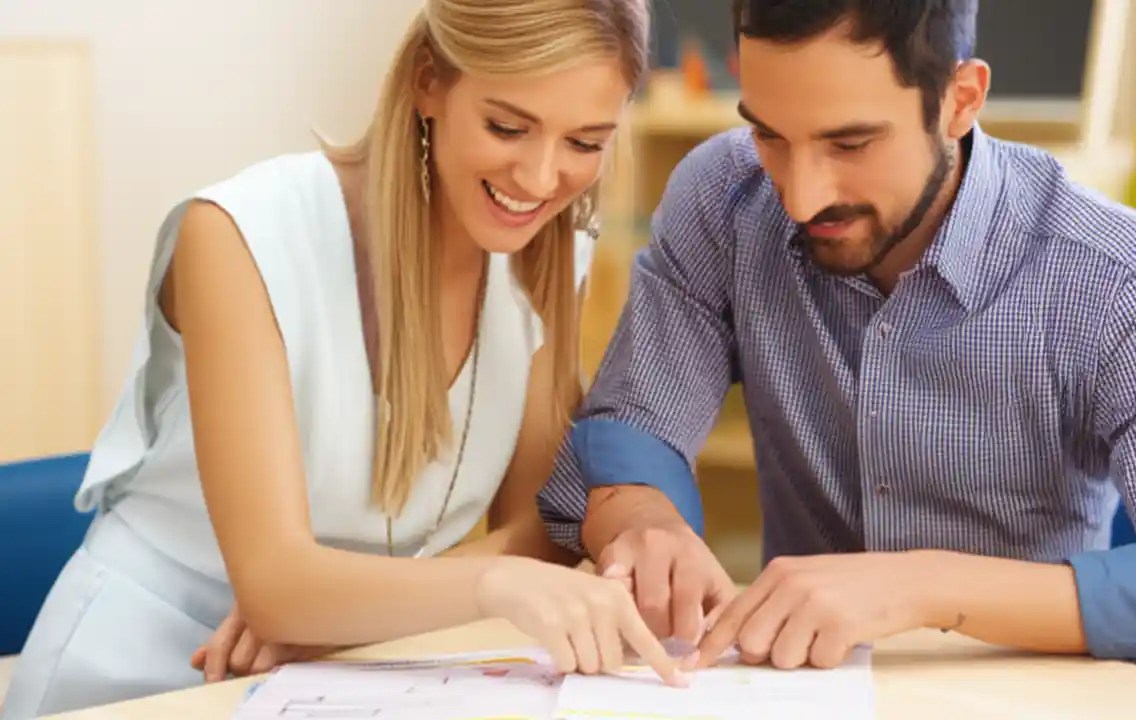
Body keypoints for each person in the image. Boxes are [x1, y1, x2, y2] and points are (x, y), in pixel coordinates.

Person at [537, 0, 1136, 686]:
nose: (800, 195)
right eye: (769, 133)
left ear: (961, 99)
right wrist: (644, 520)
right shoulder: (724, 198)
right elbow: (624, 437)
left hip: (1029, 697)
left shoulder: (1132, 279)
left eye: (850, 142)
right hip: (798, 692)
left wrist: (920, 587)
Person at [0, 2, 692, 718]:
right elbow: (274, 586)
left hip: (349, 667)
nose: (543, 177)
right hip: (144, 673)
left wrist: (338, 618)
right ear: (429, 82)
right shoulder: (240, 236)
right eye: (507, 127)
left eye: (584, 141)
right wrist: (487, 584)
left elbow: (540, 527)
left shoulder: (548, 260)